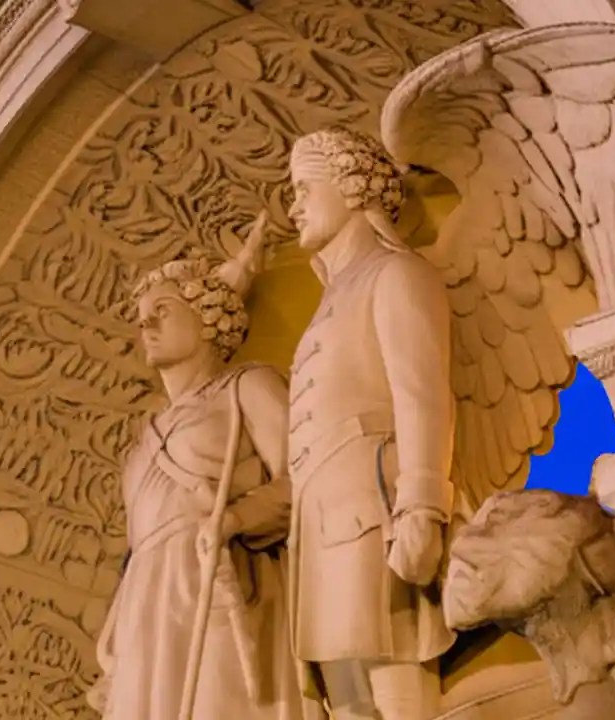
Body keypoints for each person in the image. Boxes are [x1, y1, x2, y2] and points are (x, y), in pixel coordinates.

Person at [89, 232, 313, 720]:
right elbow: (133, 559)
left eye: (163, 310)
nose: (146, 322)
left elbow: (305, 481)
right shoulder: (142, 441)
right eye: (142, 314)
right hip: (148, 604)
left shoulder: (246, 387)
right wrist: (112, 653)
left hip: (219, 580)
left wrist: (235, 518)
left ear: (208, 314)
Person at [285, 127, 456, 720]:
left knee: (397, 690)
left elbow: (422, 395)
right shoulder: (332, 295)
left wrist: (423, 507)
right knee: (347, 702)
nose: (294, 204)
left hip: (374, 514)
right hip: (321, 525)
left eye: (305, 188)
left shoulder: (396, 274)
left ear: (351, 186)